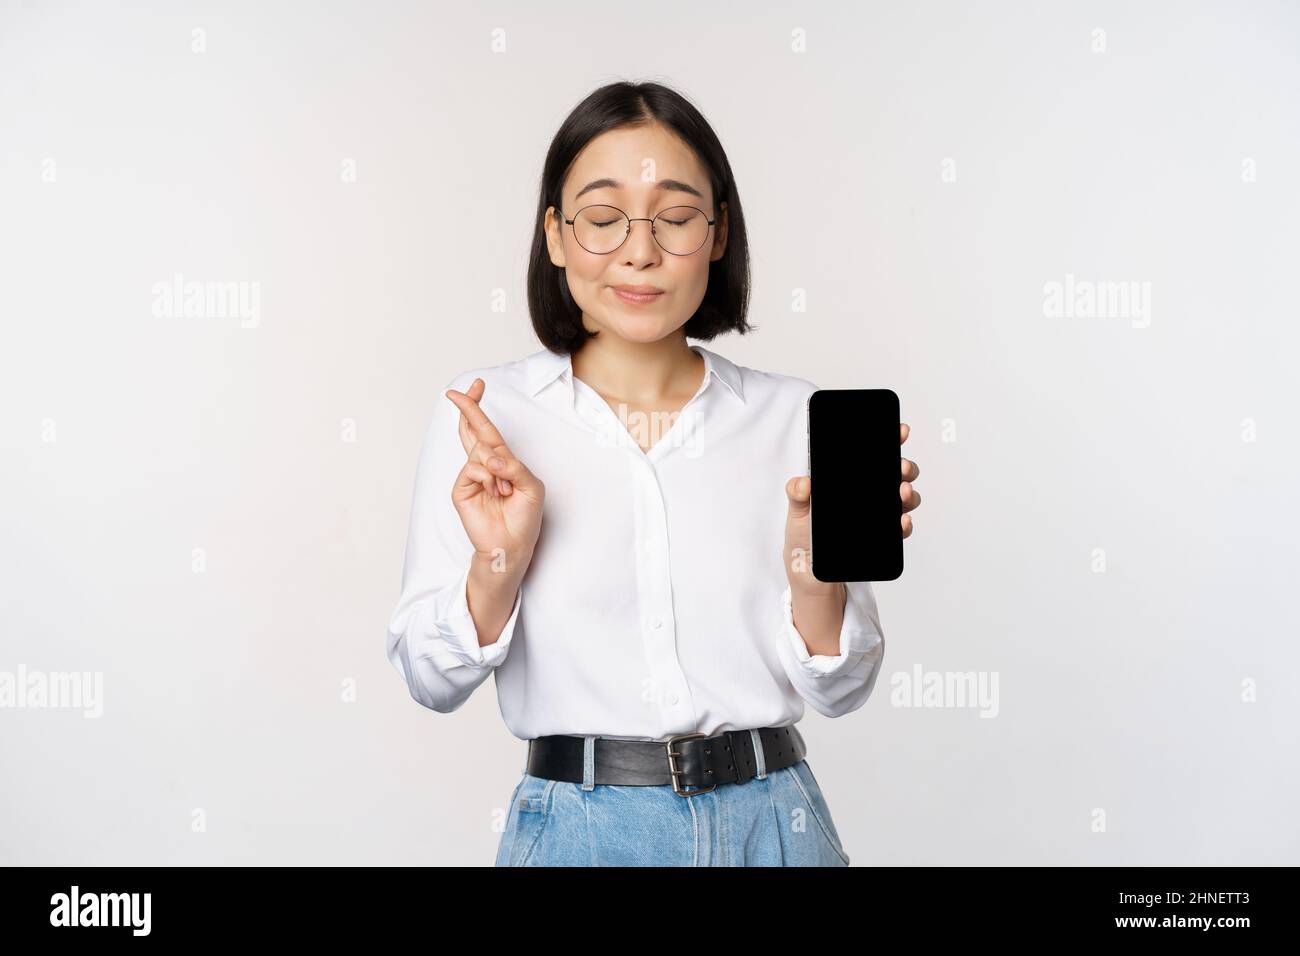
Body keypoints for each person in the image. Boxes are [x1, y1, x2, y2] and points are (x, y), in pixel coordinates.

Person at [386, 80, 922, 866]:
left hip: (774, 825)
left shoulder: (797, 419)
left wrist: (814, 578)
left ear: (716, 234)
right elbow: (428, 681)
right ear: (556, 235)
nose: (641, 250)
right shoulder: (489, 418)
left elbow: (840, 694)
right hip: (580, 833)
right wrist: (497, 563)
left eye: (674, 218)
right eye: (603, 220)